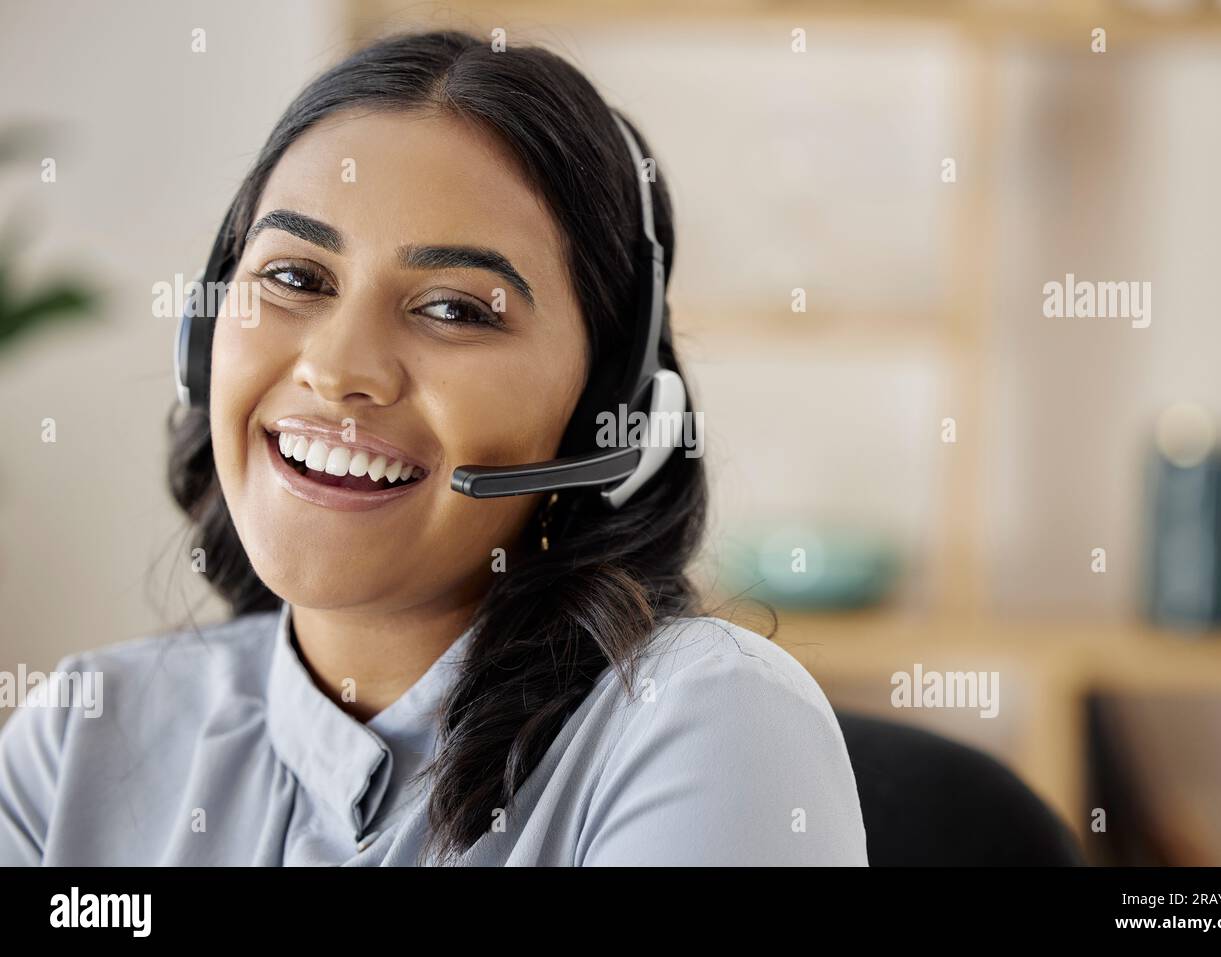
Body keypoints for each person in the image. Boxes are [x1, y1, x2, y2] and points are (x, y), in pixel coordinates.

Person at [0, 29, 868, 866]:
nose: (340, 370)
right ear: (203, 335)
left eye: (456, 308)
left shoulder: (709, 720)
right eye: (295, 277)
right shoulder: (80, 736)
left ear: (603, 404)